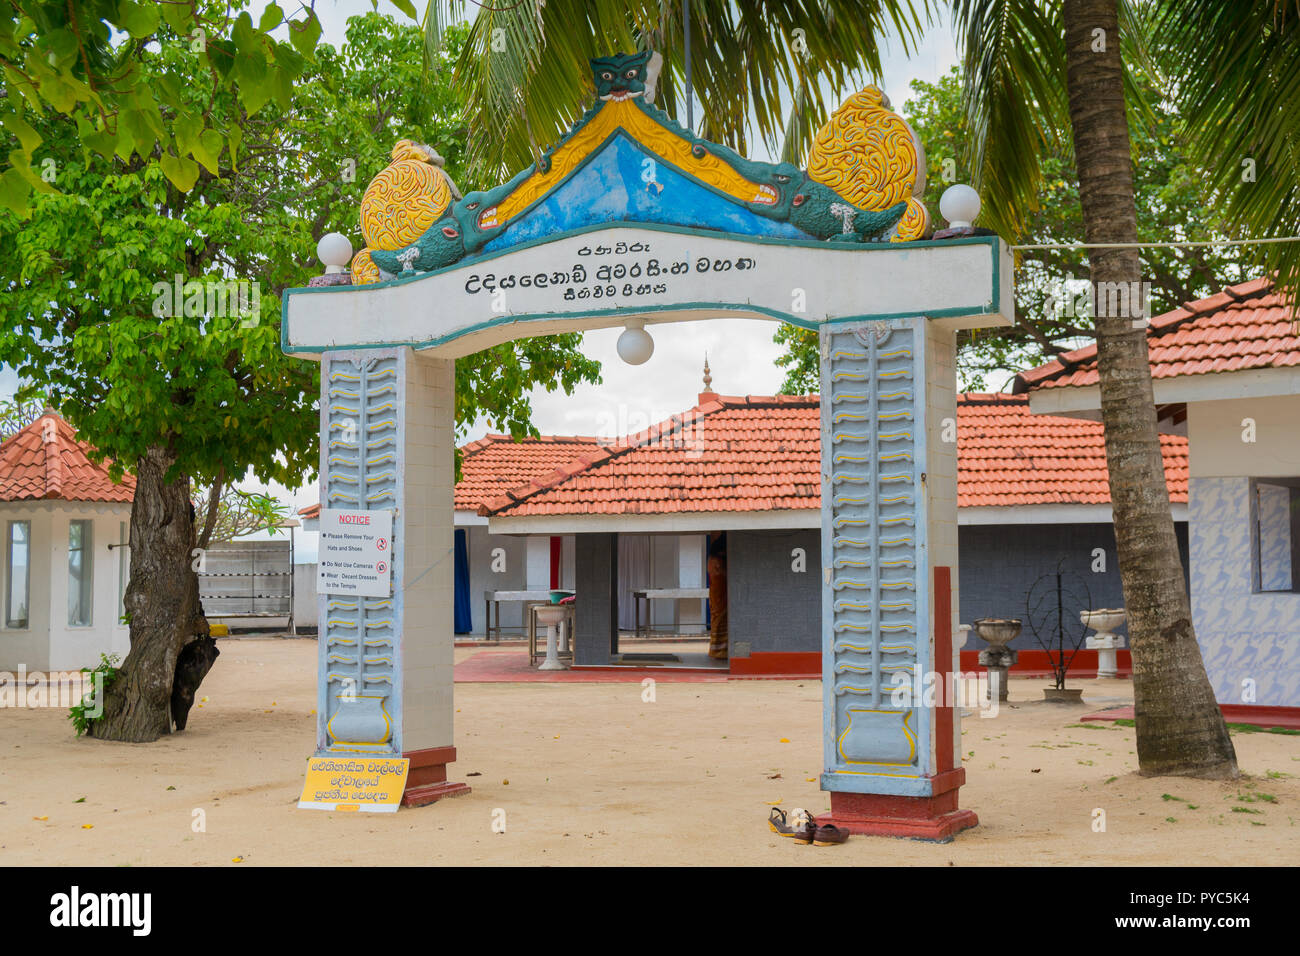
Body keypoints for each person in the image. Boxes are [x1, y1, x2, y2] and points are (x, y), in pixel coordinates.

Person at [706, 533, 728, 660]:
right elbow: (722, 574)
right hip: (720, 594)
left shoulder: (713, 558)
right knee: (720, 620)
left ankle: (718, 650)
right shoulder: (717, 561)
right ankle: (720, 651)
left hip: (717, 594)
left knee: (718, 619)